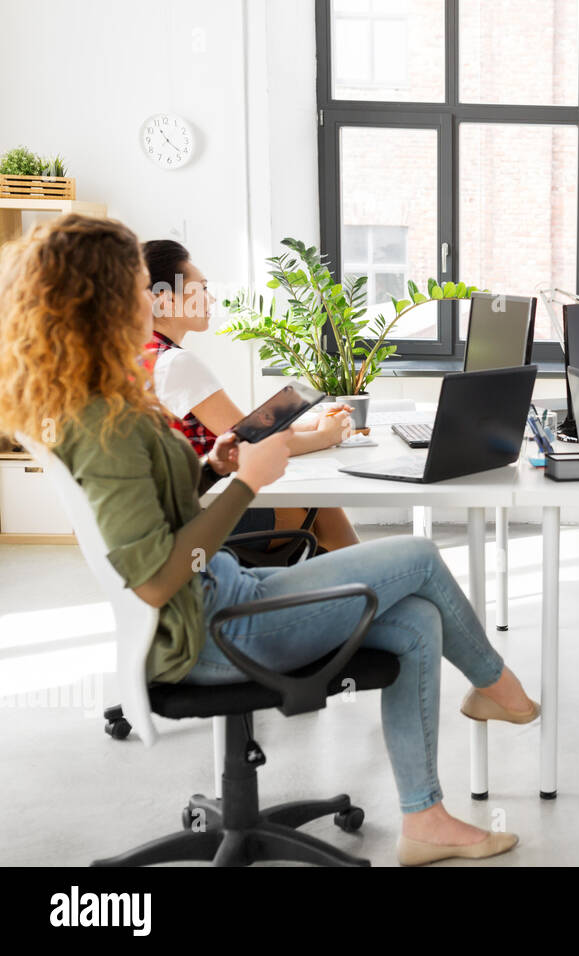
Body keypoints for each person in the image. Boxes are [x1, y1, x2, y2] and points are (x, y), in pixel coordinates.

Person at [0, 214, 537, 865]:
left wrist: (212, 467)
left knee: (419, 619)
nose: (152, 300)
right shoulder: (105, 423)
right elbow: (154, 581)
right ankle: (498, 687)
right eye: (139, 286)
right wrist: (245, 486)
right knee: (421, 557)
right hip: (209, 630)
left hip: (223, 594)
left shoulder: (103, 397)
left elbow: (157, 520)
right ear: (104, 300)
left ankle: (425, 819)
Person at [141, 239, 360, 553]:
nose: (211, 298)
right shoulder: (176, 364)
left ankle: (357, 587)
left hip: (171, 513)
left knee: (318, 507)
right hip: (198, 517)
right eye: (201, 288)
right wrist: (326, 436)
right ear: (166, 299)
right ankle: (365, 587)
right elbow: (250, 442)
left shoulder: (145, 355)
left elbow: (239, 430)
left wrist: (312, 425)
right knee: (320, 505)